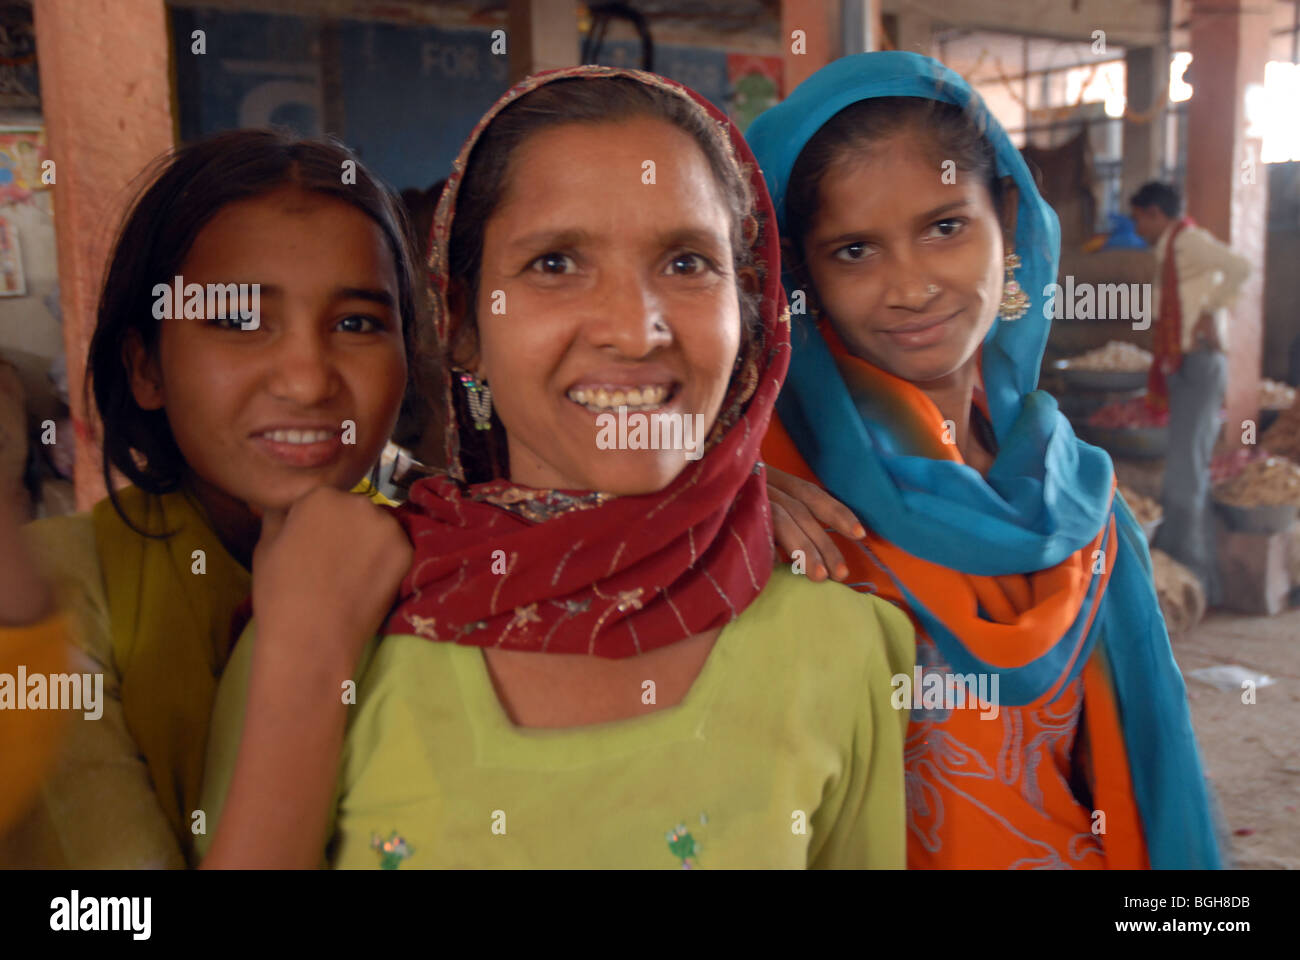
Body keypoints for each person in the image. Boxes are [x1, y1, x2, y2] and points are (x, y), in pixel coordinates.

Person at [199, 65, 915, 869]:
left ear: (748, 312)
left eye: (685, 263)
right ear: (464, 324)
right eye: (555, 264)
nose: (633, 330)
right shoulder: (326, 620)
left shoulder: (842, 646)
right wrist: (305, 657)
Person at [747, 51, 1220, 868]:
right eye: (854, 250)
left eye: (944, 226)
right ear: (802, 278)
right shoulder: (780, 503)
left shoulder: (1079, 505)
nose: (912, 286)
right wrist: (716, 503)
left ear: (1009, 221)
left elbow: (1152, 788)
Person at [0, 130, 421, 867]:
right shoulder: (47, 600)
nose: (306, 379)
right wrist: (305, 653)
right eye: (236, 320)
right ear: (146, 368)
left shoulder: (464, 566)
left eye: (356, 323)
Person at [1130, 181, 1251, 606]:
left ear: (1157, 214)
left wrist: (1207, 312)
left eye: (1139, 217)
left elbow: (1240, 266)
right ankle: (1193, 576)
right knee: (1184, 475)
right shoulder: (1170, 248)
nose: (1136, 226)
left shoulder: (1192, 242)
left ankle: (1195, 578)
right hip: (1183, 366)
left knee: (1185, 479)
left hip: (1200, 365)